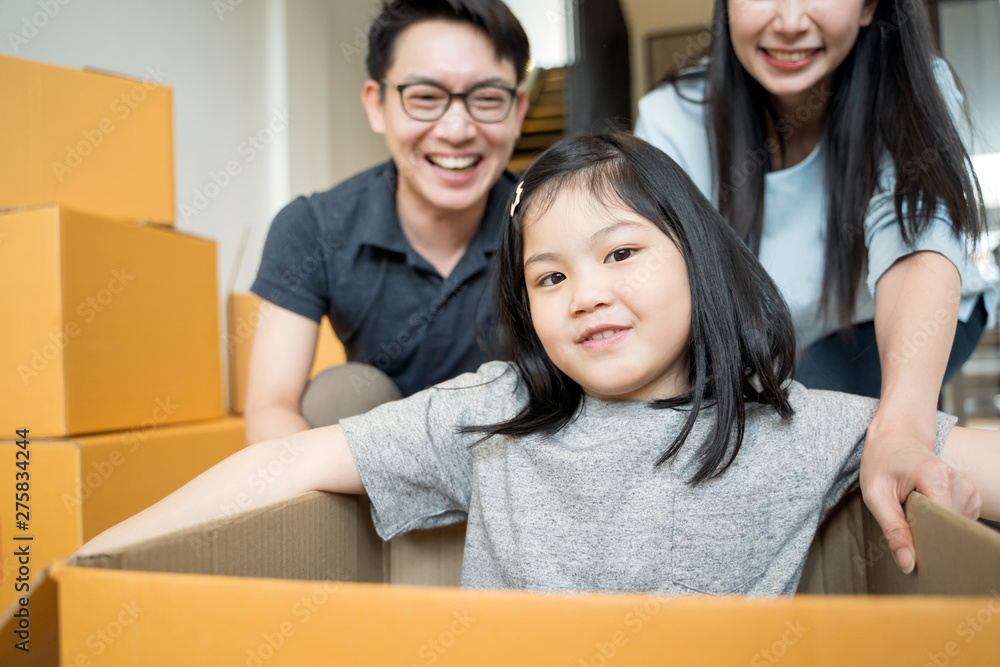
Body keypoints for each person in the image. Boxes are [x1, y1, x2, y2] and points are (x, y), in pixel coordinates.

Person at [77, 133, 997, 595]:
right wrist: (90, 559)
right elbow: (283, 458)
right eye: (549, 276)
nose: (585, 293)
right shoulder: (494, 415)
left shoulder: (798, 424)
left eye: (621, 254)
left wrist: (925, 451)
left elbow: (970, 461)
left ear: (698, 257)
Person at [634, 0, 994, 575]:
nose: (790, 21)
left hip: (905, 308)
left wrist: (902, 428)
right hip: (775, 342)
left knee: (843, 418)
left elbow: (913, 242)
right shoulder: (670, 117)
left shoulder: (914, 82)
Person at [245, 0, 530, 443]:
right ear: (377, 105)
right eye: (425, 97)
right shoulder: (313, 227)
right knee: (335, 395)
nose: (456, 129)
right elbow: (270, 411)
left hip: (517, 456)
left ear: (519, 110)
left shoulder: (548, 218)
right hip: (381, 465)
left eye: (488, 99)